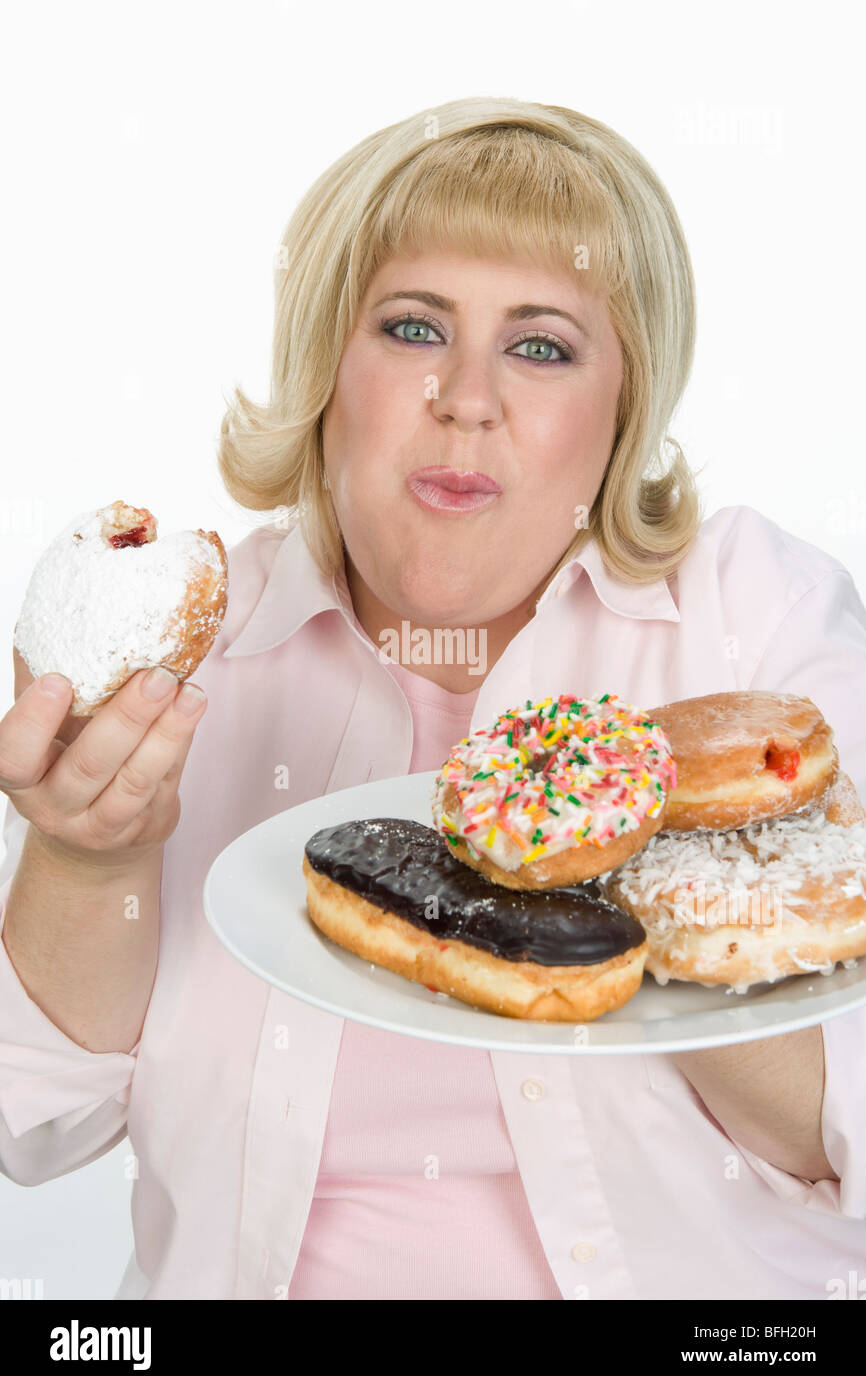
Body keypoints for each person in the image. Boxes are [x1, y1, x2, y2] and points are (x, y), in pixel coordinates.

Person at [1, 96, 865, 1302]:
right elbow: (30, 1127)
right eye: (412, 328)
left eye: (542, 344)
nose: (467, 396)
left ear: (622, 411)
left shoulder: (746, 634)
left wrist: (617, 857)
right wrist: (85, 861)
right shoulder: (190, 653)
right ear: (323, 372)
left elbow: (847, 1137)